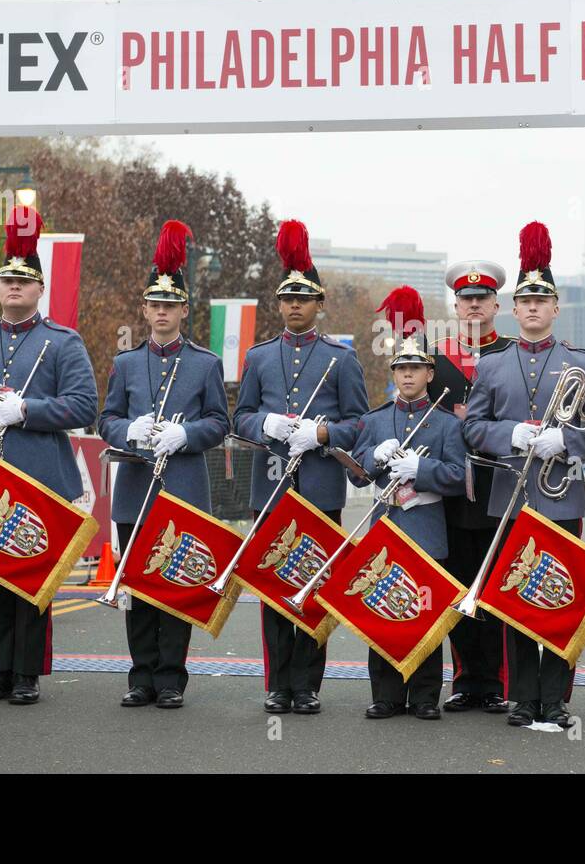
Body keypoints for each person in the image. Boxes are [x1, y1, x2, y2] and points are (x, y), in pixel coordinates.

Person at [0, 205, 98, 706]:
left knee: (33, 577)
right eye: (6, 281)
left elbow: (83, 405)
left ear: (40, 290)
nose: (12, 289)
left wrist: (26, 409)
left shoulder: (62, 342)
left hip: (41, 478)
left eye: (23, 283)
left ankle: (27, 674)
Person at [464, 221, 585, 728]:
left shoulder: (583, 361)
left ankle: (556, 698)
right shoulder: (491, 365)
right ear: (514, 309)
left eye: (542, 300)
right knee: (513, 600)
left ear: (555, 309)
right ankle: (522, 697)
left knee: (559, 597)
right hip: (509, 498)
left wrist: (566, 440)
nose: (532, 308)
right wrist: (509, 434)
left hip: (561, 499)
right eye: (524, 300)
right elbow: (474, 431)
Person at [233, 219, 369, 716]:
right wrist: (265, 423)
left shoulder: (341, 358)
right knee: (272, 586)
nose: (294, 306)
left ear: (318, 303)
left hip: (320, 486)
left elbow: (360, 423)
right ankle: (278, 683)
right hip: (269, 487)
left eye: (303, 299)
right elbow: (240, 417)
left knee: (313, 585)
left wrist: (324, 433)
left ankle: (308, 683)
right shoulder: (260, 356)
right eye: (287, 298)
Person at [97, 220, 230, 709]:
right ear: (145, 308)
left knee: (176, 585)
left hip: (185, 489)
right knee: (137, 585)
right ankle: (141, 676)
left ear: (183, 310)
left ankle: (172, 678)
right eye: (154, 305)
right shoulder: (126, 363)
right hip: (135, 489)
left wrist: (187, 434)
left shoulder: (205, 363)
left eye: (170, 305)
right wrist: (125, 430)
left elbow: (220, 422)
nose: (161, 313)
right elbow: (107, 419)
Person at [349, 287, 466, 720]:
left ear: (430, 373)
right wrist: (374, 458)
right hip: (387, 529)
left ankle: (422, 697)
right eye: (402, 368)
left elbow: (459, 477)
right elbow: (355, 471)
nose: (408, 375)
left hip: (427, 530)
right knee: (382, 611)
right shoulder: (376, 420)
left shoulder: (445, 424)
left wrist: (423, 470)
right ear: (394, 373)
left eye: (416, 368)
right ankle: (385, 695)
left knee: (424, 614)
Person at [427, 258, 513, 715]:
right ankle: (465, 679)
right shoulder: (433, 358)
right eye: (466, 299)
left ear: (497, 304)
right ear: (455, 305)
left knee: (496, 587)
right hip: (450, 491)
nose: (474, 305)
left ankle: (498, 682)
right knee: (458, 586)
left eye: (482, 299)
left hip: (502, 487)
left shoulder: (516, 353)